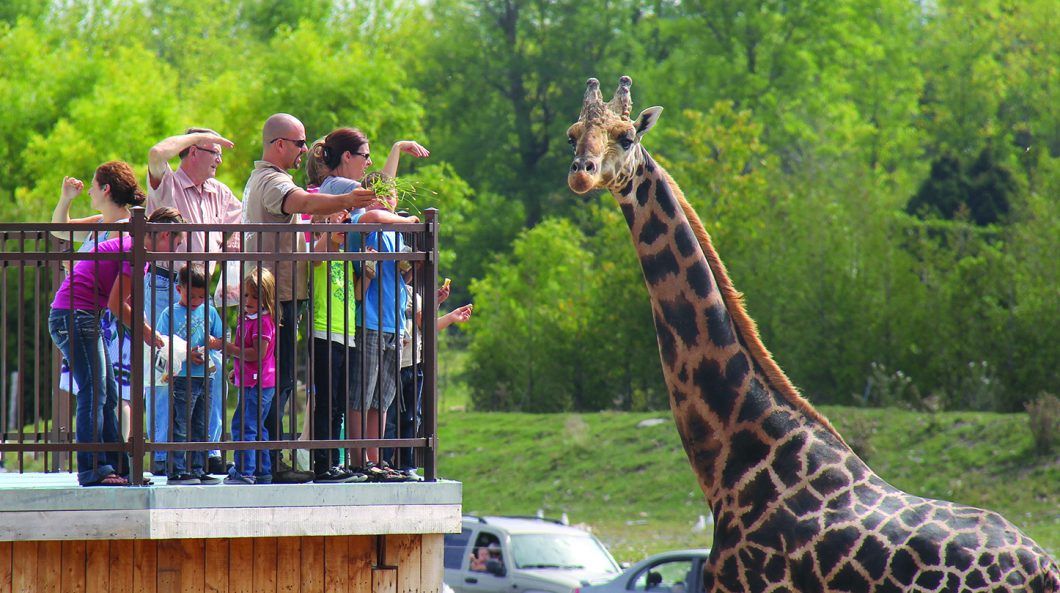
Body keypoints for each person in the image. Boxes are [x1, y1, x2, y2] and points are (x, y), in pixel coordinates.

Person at [241, 113, 379, 483]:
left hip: (280, 295)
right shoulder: (272, 180)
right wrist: (345, 200)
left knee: (280, 381)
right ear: (279, 145)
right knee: (279, 382)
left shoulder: (266, 178)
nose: (306, 150)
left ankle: (271, 462)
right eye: (300, 143)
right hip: (276, 297)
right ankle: (268, 464)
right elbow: (301, 201)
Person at [49, 204, 183, 487]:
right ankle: (92, 469)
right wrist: (145, 332)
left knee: (108, 395)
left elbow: (123, 300)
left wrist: (145, 328)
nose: (177, 250)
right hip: (75, 316)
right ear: (165, 235)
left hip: (81, 316)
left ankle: (118, 468)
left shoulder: (133, 248)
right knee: (94, 393)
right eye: (177, 242)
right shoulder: (133, 251)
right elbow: (116, 304)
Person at [146, 128, 243, 475]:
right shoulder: (168, 184)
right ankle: (163, 453)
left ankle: (207, 451)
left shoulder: (221, 192)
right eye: (214, 152)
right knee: (166, 366)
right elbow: (156, 153)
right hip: (165, 285)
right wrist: (198, 133)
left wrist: (229, 270)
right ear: (193, 152)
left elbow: (240, 229)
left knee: (210, 365)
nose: (220, 160)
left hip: (202, 292)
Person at [50, 165, 146, 440]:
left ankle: (116, 453)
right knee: (102, 391)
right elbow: (61, 230)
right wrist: (66, 199)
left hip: (108, 317)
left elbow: (113, 276)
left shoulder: (125, 229)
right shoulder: (100, 223)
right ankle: (110, 454)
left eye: (93, 186)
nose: (90, 191)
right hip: (89, 313)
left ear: (106, 189)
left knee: (114, 392)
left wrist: (75, 268)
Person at [346, 172, 420, 478]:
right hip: (370, 320)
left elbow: (400, 278)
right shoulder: (363, 222)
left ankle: (376, 458)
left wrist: (411, 268)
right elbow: (372, 216)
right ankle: (358, 458)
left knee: (383, 397)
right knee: (361, 395)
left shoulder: (394, 235)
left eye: (391, 195)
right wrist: (407, 220)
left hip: (393, 323)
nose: (388, 201)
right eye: (381, 194)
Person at [384, 271, 472, 480]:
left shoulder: (414, 296)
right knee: (390, 418)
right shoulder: (388, 292)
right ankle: (385, 462)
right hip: (391, 364)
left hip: (413, 364)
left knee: (412, 417)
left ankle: (406, 465)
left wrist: (448, 314)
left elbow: (424, 325)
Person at [308, 210, 369, 484]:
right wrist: (330, 227)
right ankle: (323, 464)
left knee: (339, 405)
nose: (342, 228)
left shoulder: (345, 258)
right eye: (336, 222)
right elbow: (316, 258)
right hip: (324, 333)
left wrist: (368, 272)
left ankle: (335, 462)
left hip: (348, 335)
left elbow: (356, 295)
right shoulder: (317, 252)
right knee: (327, 402)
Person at [154, 264, 223, 486]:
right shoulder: (169, 313)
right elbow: (162, 343)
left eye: (201, 296)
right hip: (182, 377)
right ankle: (176, 470)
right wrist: (186, 354)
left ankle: (198, 468)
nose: (196, 301)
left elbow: (221, 339)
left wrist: (214, 343)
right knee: (181, 424)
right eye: (191, 296)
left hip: (206, 376)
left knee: (201, 424)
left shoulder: (210, 312)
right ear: (179, 289)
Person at [212, 268, 278, 485]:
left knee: (244, 426)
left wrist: (229, 348)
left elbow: (257, 354)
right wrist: (238, 370)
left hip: (258, 383)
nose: (248, 300)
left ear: (266, 299)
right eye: (246, 295)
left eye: (255, 297)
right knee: (257, 427)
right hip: (254, 380)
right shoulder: (249, 318)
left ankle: (244, 471)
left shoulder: (262, 322)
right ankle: (262, 470)